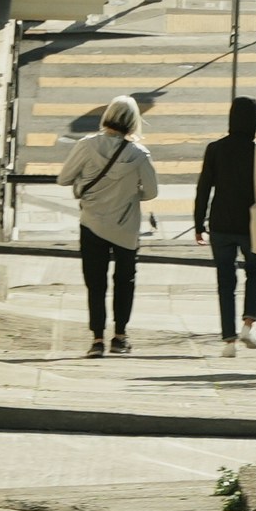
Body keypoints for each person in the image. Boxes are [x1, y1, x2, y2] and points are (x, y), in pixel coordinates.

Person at [58, 96, 160, 355]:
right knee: (125, 281)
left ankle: (97, 340)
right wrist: (129, 191)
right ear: (134, 122)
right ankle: (120, 336)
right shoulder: (139, 154)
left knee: (96, 283)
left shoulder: (86, 145)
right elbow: (150, 192)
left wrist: (84, 183)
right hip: (126, 226)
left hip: (92, 223)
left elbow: (64, 178)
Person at [190, 94, 256, 351]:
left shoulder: (214, 149)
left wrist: (198, 224)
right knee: (255, 271)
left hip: (220, 225)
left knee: (225, 281)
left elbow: (203, 188)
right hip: (252, 225)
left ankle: (228, 341)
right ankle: (248, 326)